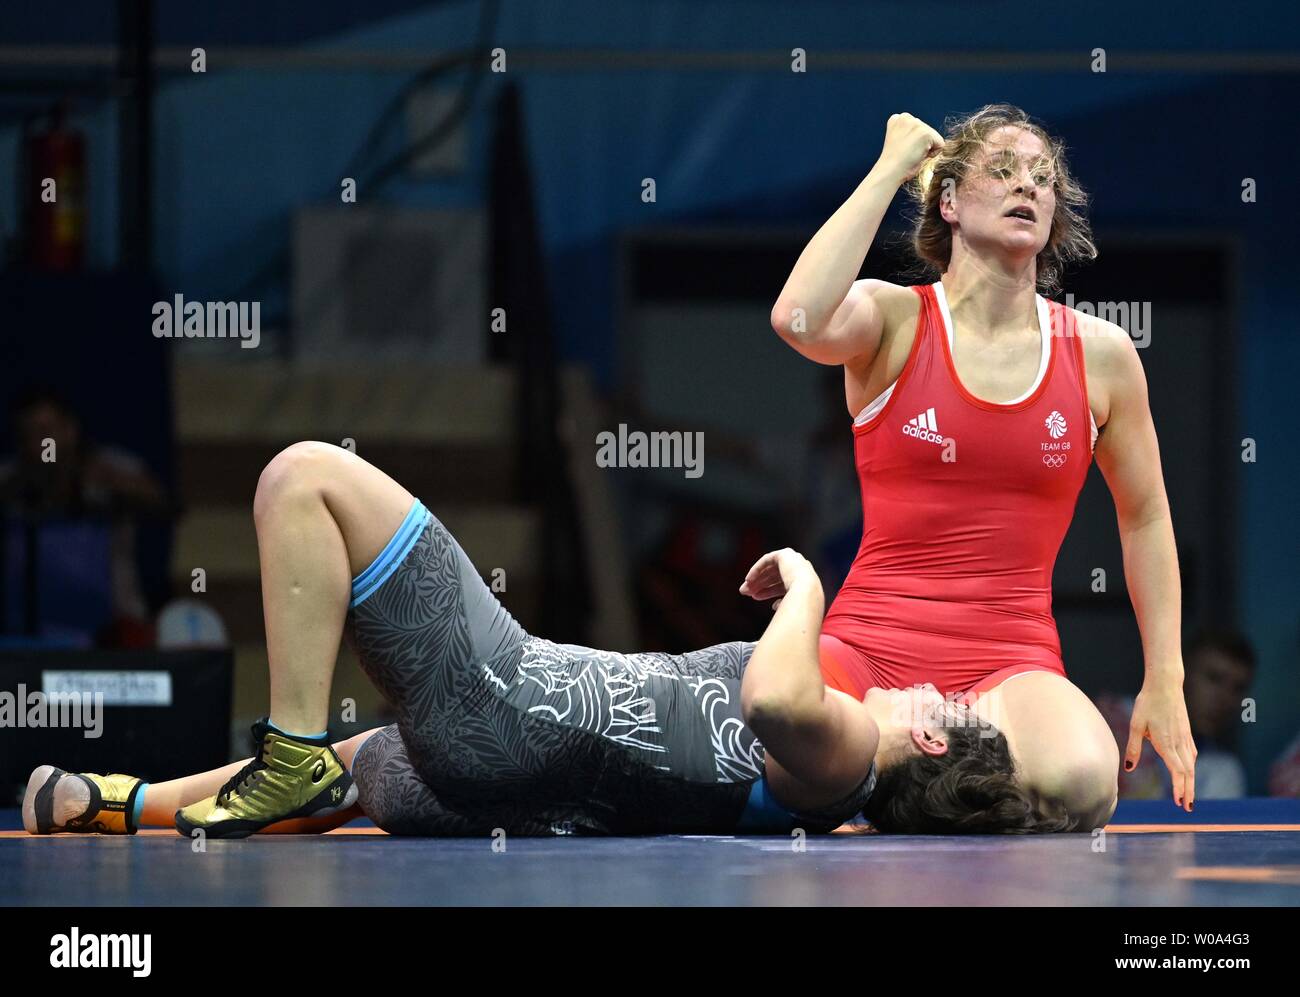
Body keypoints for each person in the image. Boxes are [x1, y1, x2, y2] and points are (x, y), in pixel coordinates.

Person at [24, 442, 1072, 839]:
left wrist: (804, 583)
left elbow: (774, 701)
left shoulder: (842, 751)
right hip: (511, 789)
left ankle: (283, 748)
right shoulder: (839, 813)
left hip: (514, 701)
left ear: (929, 743)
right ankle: (116, 801)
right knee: (353, 769)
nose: (929, 687)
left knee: (302, 478)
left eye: (947, 701)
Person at [771, 104, 1194, 820]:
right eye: (1001, 170)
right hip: (872, 650)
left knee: (1086, 785)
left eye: (1042, 177)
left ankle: (902, 776)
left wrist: (1166, 676)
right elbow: (797, 318)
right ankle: (899, 760)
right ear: (949, 201)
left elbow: (1145, 515)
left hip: (1011, 659)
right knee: (792, 773)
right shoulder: (892, 319)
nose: (1026, 185)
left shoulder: (1101, 356)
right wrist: (887, 170)